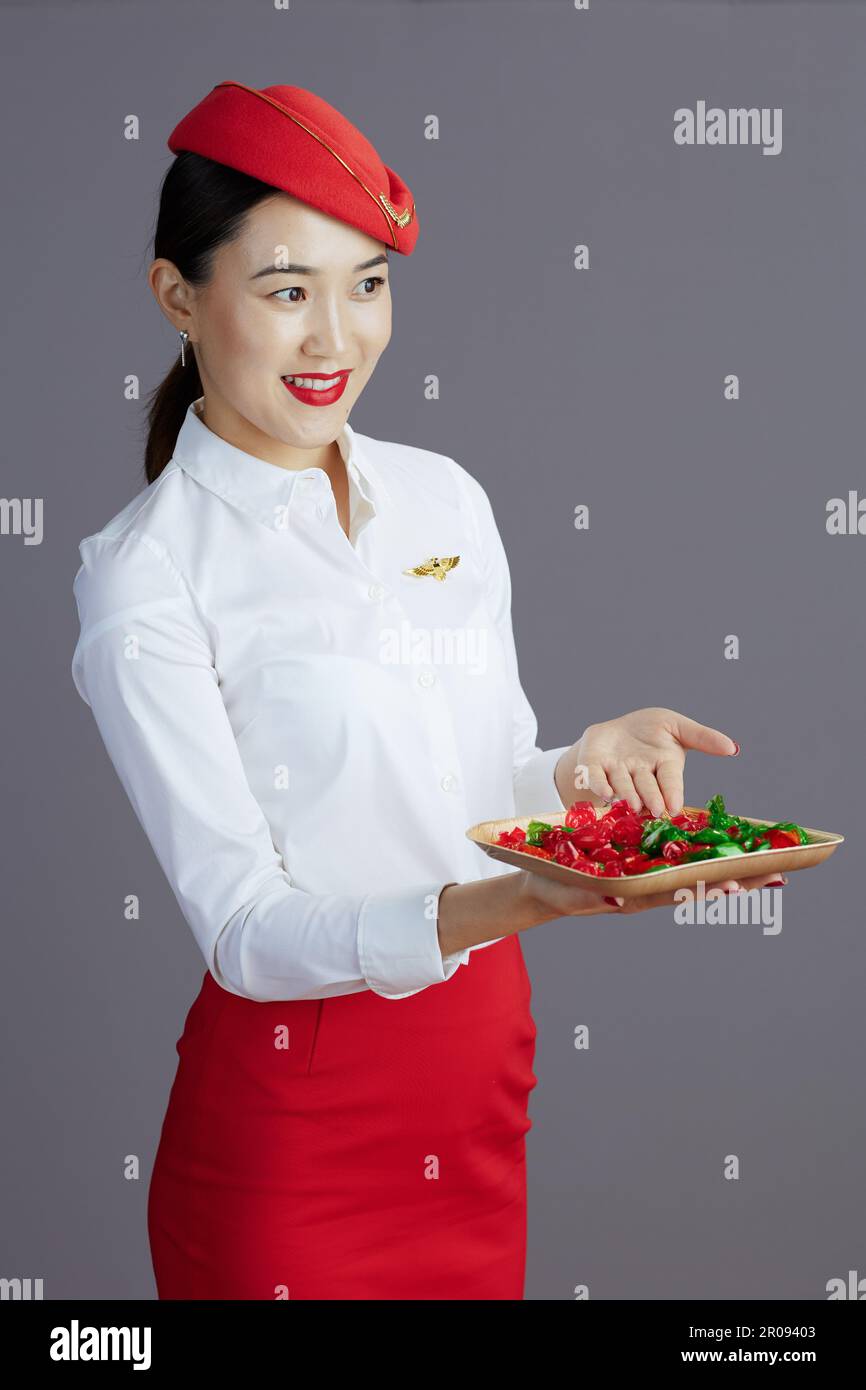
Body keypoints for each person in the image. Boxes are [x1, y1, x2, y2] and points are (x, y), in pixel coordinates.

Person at [69, 80, 785, 1301]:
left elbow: (486, 777)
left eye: (368, 285)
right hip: (296, 1134)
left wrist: (579, 771)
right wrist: (515, 902)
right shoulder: (145, 575)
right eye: (287, 290)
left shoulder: (443, 499)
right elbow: (245, 931)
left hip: (473, 1094)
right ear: (177, 296)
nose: (334, 339)